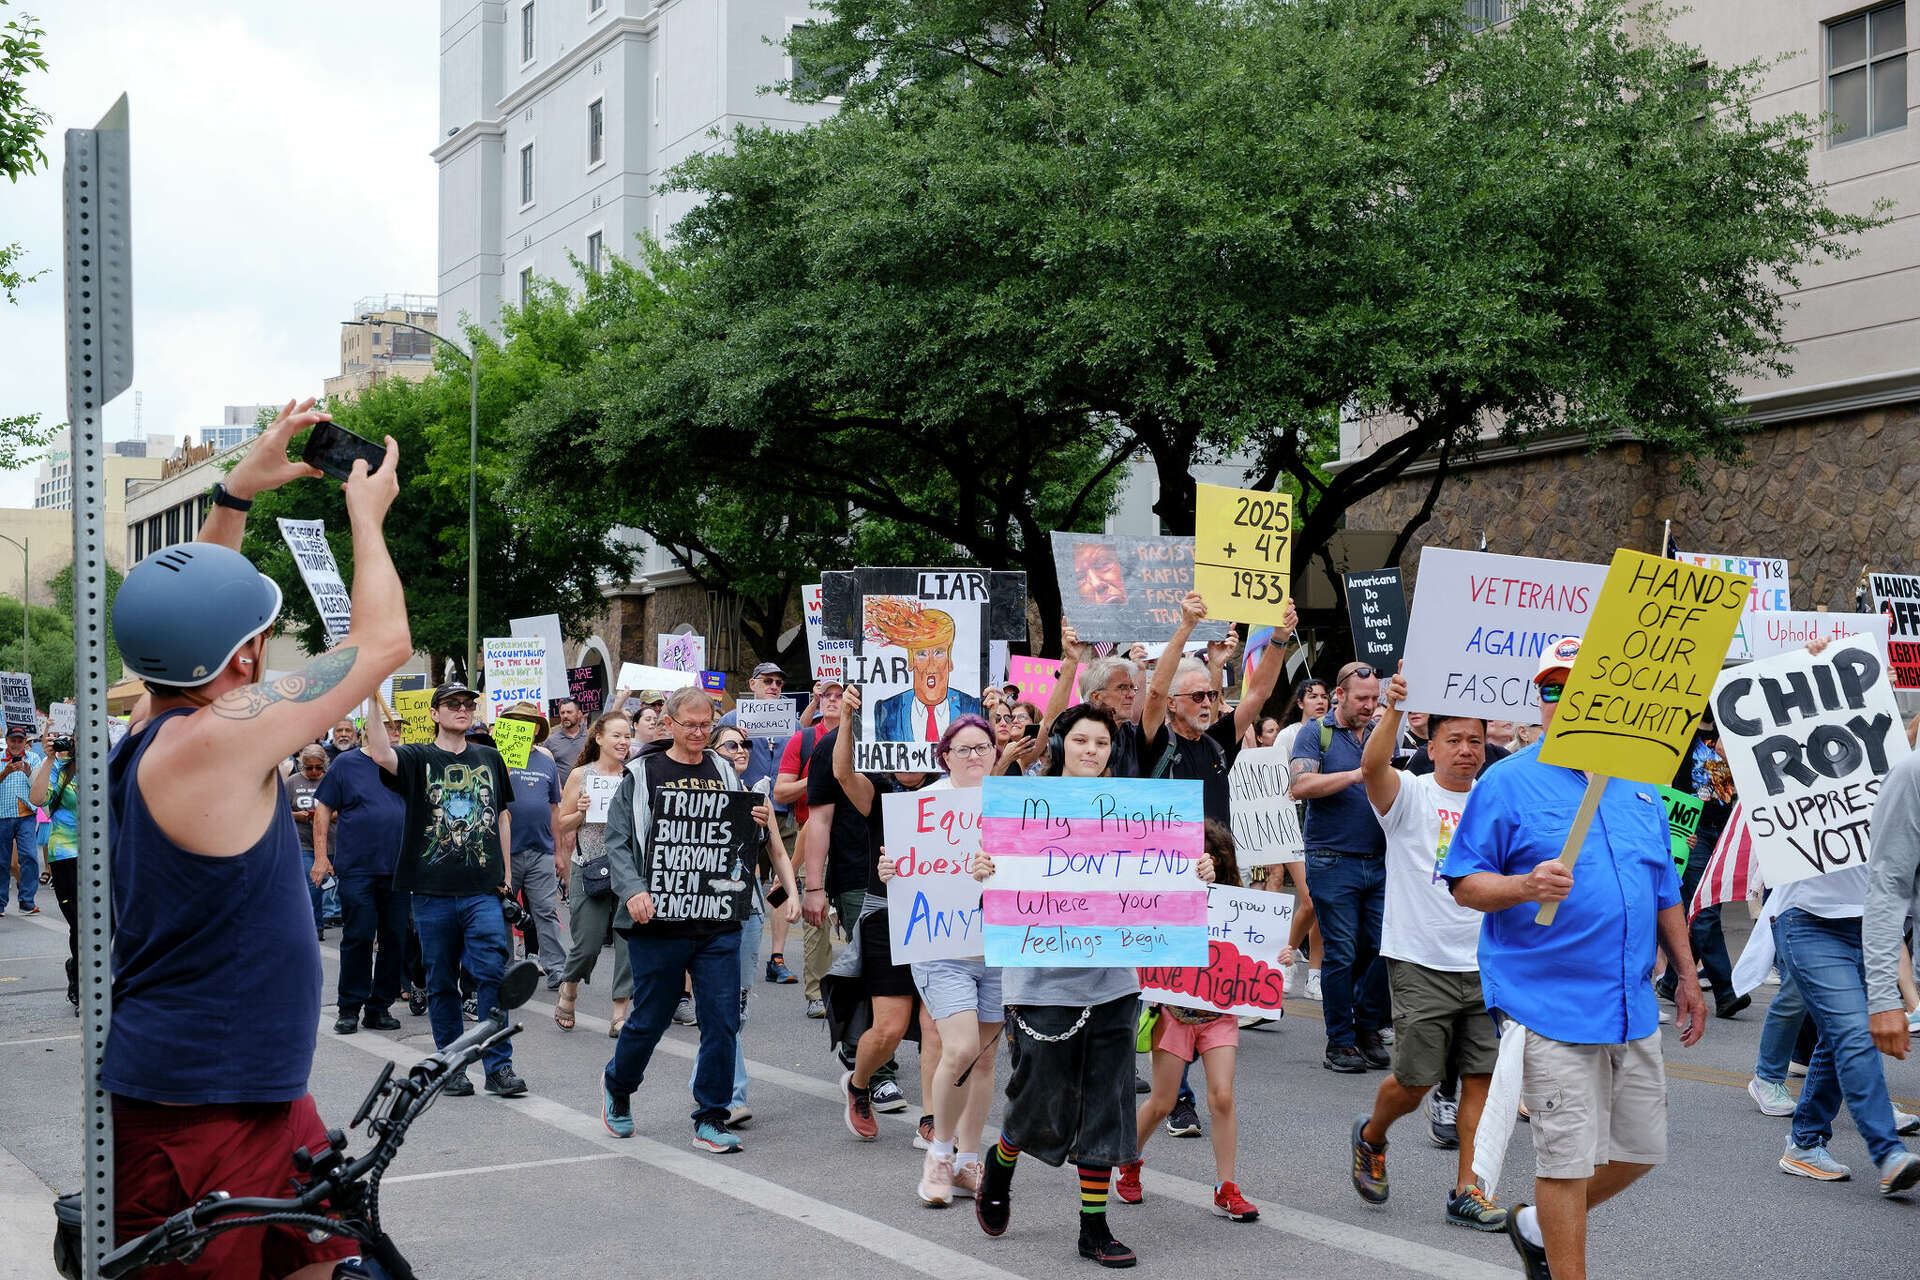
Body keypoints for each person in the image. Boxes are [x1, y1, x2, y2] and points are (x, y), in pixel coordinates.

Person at [104, 398, 409, 1278]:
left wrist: (235, 495)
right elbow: (383, 641)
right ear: (242, 662)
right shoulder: (207, 745)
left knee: (325, 1262)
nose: (266, 656)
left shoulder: (160, 731)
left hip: (263, 1091)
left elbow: (191, 614)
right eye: (262, 643)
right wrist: (365, 518)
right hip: (199, 1105)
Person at [1445, 636, 1708, 1280]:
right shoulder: (1507, 781)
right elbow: (1463, 881)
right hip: (1548, 1004)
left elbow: (1662, 887)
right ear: (1540, 701)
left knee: (1643, 1150)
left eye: (1579, 688)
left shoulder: (1640, 786)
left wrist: (1689, 974)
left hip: (1629, 1004)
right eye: (1553, 690)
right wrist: (1524, 887)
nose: (1565, 701)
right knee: (1563, 1161)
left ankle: (1536, 1224)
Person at [971, 703, 1217, 1268]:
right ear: (1061, 747)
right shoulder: (1023, 806)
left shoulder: (1137, 811)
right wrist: (983, 869)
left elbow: (1167, 879)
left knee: (1106, 1106)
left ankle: (1093, 1226)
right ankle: (1002, 1162)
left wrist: (1197, 871)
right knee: (1039, 1102)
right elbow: (988, 879)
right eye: (1081, 740)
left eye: (1102, 743)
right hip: (1041, 986)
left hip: (1114, 984)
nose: (1091, 751)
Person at [1347, 664, 1508, 1231]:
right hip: (1421, 961)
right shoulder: (1409, 794)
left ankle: (1468, 1188)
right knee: (1414, 1082)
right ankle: (1372, 1136)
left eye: (1475, 740)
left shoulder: (1497, 800)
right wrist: (1392, 705)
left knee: (1482, 1080)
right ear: (1432, 744)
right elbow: (1371, 766)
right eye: (1455, 739)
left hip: (1487, 964)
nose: (1466, 749)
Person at [601, 686, 770, 1154]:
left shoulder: (722, 770)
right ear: (669, 724)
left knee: (722, 1019)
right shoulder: (641, 773)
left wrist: (753, 820)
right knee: (650, 1018)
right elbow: (617, 841)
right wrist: (633, 890)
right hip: (659, 921)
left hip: (716, 919)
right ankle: (618, 1085)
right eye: (690, 725)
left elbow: (737, 835)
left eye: (705, 725)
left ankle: (710, 1117)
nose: (698, 733)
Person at [364, 683, 526, 1099]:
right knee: (441, 981)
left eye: (468, 704)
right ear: (434, 713)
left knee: (492, 973)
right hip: (432, 892)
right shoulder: (418, 757)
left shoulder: (489, 756)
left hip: (483, 891)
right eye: (453, 704)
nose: (462, 709)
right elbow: (381, 752)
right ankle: (451, 1065)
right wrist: (369, 697)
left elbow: (502, 817)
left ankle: (499, 1066)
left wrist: (505, 874)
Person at [875, 713, 1003, 1204]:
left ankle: (970, 1162)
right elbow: (904, 868)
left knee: (986, 1062)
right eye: (964, 749)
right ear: (944, 757)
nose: (975, 756)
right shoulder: (922, 805)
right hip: (941, 948)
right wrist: (890, 869)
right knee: (961, 1048)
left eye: (983, 747)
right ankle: (940, 1154)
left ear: (995, 752)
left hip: (998, 949)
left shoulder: (1014, 805)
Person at [1118, 819, 1262, 1224]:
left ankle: (1226, 1187)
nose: (1201, 864)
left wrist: (1278, 957)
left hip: (1219, 1014)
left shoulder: (1234, 904)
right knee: (1162, 1102)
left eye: (1210, 858)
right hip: (1174, 1014)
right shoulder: (1163, 899)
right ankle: (1129, 1159)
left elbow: (1259, 945)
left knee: (1222, 1096)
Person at [817, 685, 934, 1131]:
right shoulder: (878, 795)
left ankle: (932, 1117)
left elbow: (1001, 767)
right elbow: (843, 772)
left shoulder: (953, 791)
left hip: (945, 921)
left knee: (936, 1027)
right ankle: (860, 1083)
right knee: (889, 1028)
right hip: (888, 916)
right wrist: (847, 716)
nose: (912, 758)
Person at [1290, 660, 1391, 1074]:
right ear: (1340, 695)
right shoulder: (1317, 733)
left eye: (1375, 699)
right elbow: (1300, 786)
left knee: (1382, 948)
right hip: (1333, 860)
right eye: (1362, 699)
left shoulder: (1382, 732)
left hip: (1381, 861)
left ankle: (1368, 1027)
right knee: (1342, 951)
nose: (1369, 706)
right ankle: (1341, 1040)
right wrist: (1355, 775)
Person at [710, 723, 801, 1126]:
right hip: (704, 909)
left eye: (746, 744)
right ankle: (730, 1096)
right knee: (721, 1004)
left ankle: (716, 1084)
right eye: (732, 743)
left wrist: (793, 893)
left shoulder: (757, 795)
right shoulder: (692, 792)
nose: (742, 749)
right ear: (713, 750)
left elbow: (778, 852)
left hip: (746, 911)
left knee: (736, 1006)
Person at [313, 719, 409, 1035]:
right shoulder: (346, 763)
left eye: (397, 729)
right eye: (387, 727)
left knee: (395, 937)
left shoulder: (407, 763)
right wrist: (321, 855)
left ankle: (378, 1008)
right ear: (368, 730)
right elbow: (324, 807)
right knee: (359, 935)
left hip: (398, 869)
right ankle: (350, 1008)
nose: (392, 734)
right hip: (357, 867)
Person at [554, 710, 635, 1034]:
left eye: (627, 736)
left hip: (627, 871)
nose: (623, 741)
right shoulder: (581, 776)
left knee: (628, 944)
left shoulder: (634, 775)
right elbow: (561, 823)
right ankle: (569, 987)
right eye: (616, 735)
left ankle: (619, 1011)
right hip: (589, 868)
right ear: (599, 737)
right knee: (586, 944)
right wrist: (582, 812)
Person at [719, 662, 800, 983]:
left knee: (781, 883)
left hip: (782, 811)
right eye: (767, 681)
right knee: (744, 879)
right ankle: (737, 947)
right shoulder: (732, 721)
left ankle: (776, 957)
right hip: (743, 811)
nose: (774, 686)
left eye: (779, 682)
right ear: (752, 684)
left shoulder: (791, 722)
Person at [779, 678, 843, 1017]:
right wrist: (818, 776)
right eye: (825, 694)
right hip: (812, 831)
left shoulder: (862, 740)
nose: (832, 699)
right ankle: (817, 991)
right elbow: (780, 793)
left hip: (854, 836)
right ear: (817, 701)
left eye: (839, 694)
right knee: (815, 915)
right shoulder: (802, 740)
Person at [499, 702, 569, 989]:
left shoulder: (546, 762)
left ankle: (556, 969)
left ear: (537, 728)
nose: (522, 727)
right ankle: (504, 967)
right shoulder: (498, 758)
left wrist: (558, 851)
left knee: (545, 911)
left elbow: (554, 809)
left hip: (541, 850)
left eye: (527, 722)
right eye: (515, 721)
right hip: (506, 852)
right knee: (502, 910)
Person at [869, 607, 984, 742]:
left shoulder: (973, 707)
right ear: (911, 660)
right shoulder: (887, 711)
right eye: (922, 654)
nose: (931, 666)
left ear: (950, 660)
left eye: (939, 652)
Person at [29, 738, 80, 1007]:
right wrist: (49, 758)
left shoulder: (111, 768)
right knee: (80, 924)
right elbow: (37, 799)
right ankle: (82, 984)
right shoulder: (61, 768)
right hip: (65, 855)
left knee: (107, 925)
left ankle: (77, 966)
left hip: (103, 854)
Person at [287, 746, 329, 940]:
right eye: (309, 767)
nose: (314, 772)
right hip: (303, 842)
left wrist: (327, 815)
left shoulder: (331, 779)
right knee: (314, 883)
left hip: (331, 842)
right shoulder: (292, 783)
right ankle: (315, 925)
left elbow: (345, 807)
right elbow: (280, 811)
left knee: (330, 885)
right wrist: (297, 815)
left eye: (318, 768)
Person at [1, 725, 41, 916]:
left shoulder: (33, 758)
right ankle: (0, 903)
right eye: (13, 740)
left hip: (27, 815)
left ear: (25, 742)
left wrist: (28, 773)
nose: (16, 744)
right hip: (2, 815)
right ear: (7, 741)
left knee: (30, 858)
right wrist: (6, 772)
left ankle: (26, 901)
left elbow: (40, 786)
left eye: (20, 740)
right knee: (2, 861)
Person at [547, 697, 590, 780]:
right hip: (564, 792)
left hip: (588, 790)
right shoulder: (551, 741)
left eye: (569, 712)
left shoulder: (590, 737)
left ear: (579, 714)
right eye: (562, 713)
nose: (565, 716)